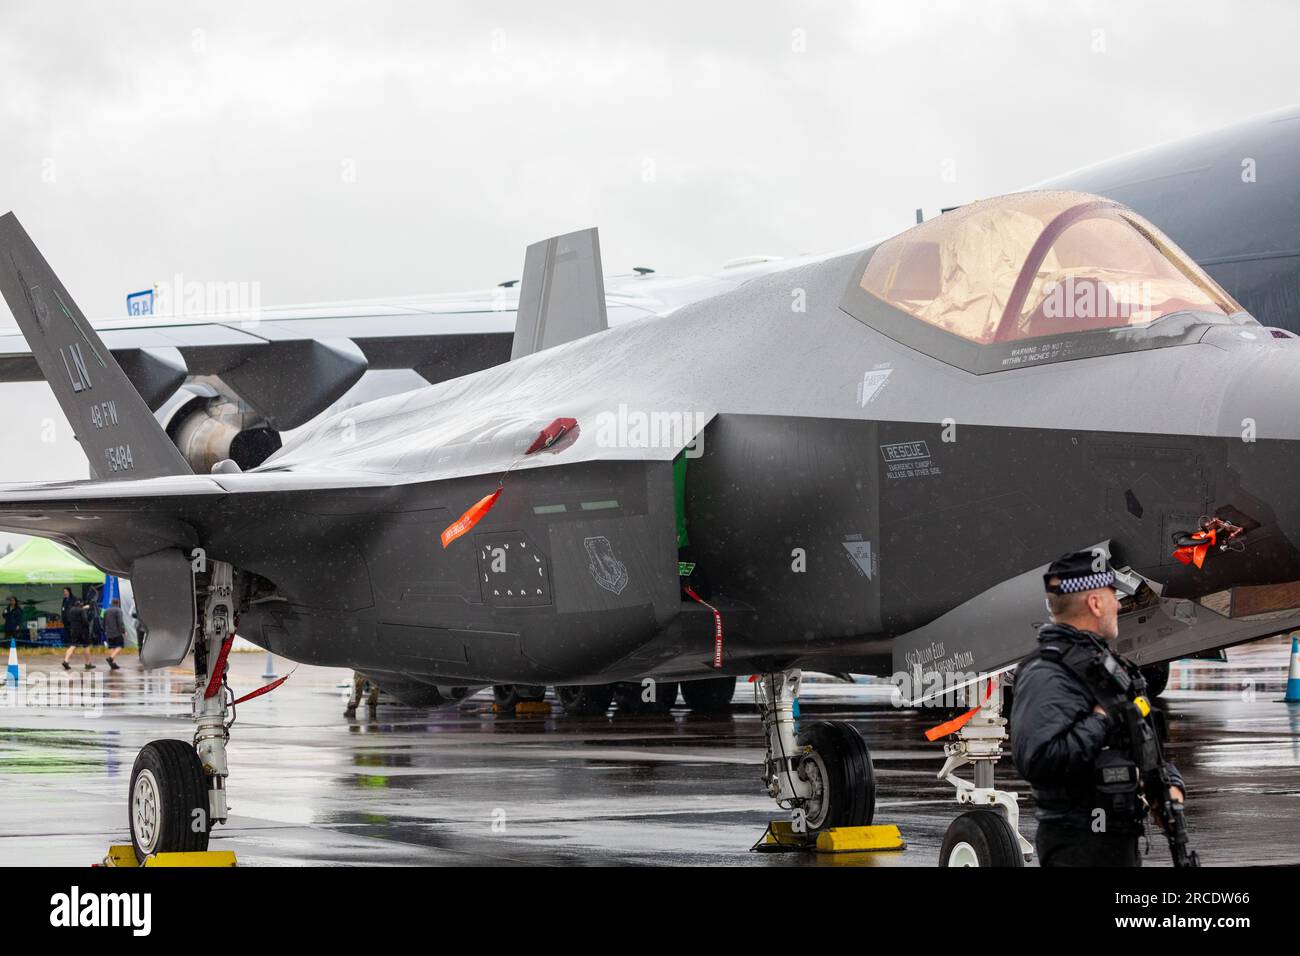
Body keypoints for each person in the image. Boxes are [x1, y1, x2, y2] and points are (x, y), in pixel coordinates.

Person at [1010, 549, 1186, 867]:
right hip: (1077, 844)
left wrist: (1169, 786)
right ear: (1094, 603)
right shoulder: (1047, 672)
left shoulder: (1108, 667)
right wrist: (1102, 720)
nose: (1118, 604)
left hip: (1116, 839)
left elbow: (1139, 737)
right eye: (1112, 595)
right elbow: (1038, 758)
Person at [61, 600, 94, 670]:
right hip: (82, 632)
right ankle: (88, 663)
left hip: (73, 630)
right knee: (86, 646)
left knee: (73, 646)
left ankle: (66, 661)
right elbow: (85, 620)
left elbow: (69, 619)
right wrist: (88, 624)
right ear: (81, 604)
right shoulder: (82, 611)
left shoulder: (71, 610)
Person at [102, 598, 126, 671]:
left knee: (112, 647)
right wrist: (123, 631)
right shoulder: (118, 610)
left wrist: (104, 630)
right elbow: (120, 622)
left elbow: (103, 621)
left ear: (111, 603)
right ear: (118, 603)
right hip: (117, 632)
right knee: (120, 646)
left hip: (108, 632)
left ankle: (112, 663)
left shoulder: (106, 611)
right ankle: (111, 658)